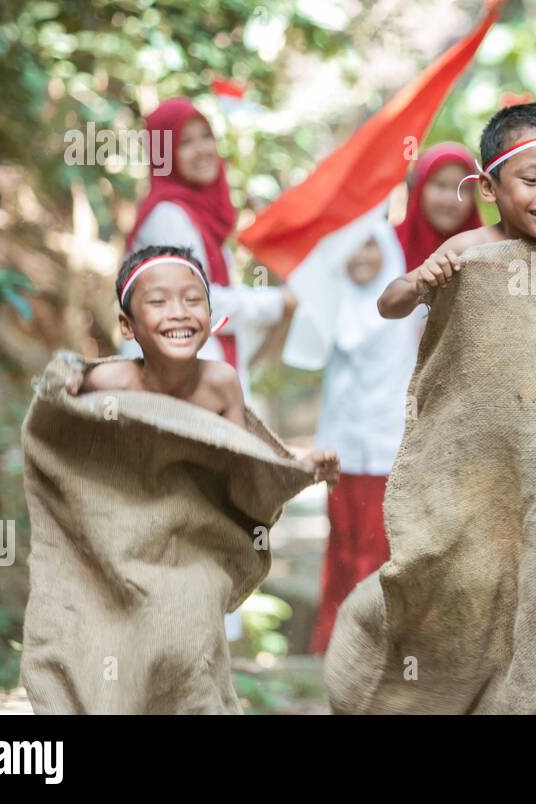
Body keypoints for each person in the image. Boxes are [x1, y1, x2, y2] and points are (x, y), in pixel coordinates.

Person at [67, 243, 338, 483]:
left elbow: (242, 465)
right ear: (127, 326)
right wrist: (71, 379)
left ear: (210, 317)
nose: (179, 313)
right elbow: (63, 419)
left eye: (193, 300)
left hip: (197, 533)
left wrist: (297, 468)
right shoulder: (110, 381)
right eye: (158, 302)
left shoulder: (220, 383)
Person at [377, 102, 536, 319]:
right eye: (532, 180)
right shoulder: (470, 247)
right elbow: (387, 304)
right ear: (489, 188)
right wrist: (420, 282)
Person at [126, 97, 294, 391]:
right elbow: (197, 302)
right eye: (185, 142)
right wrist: (277, 303)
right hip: (176, 385)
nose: (202, 149)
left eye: (206, 136)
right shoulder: (168, 217)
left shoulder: (198, 215)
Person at [307, 214, 419, 653]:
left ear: (387, 250)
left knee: (381, 551)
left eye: (372, 245)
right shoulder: (330, 305)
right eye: (352, 246)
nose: (362, 256)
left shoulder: (408, 304)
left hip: (389, 449)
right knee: (342, 546)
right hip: (341, 452)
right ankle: (334, 644)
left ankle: (376, 648)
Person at [394, 142, 484, 273]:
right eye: (440, 185)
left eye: (462, 188)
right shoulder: (385, 246)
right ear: (420, 188)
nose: (449, 200)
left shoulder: (487, 253)